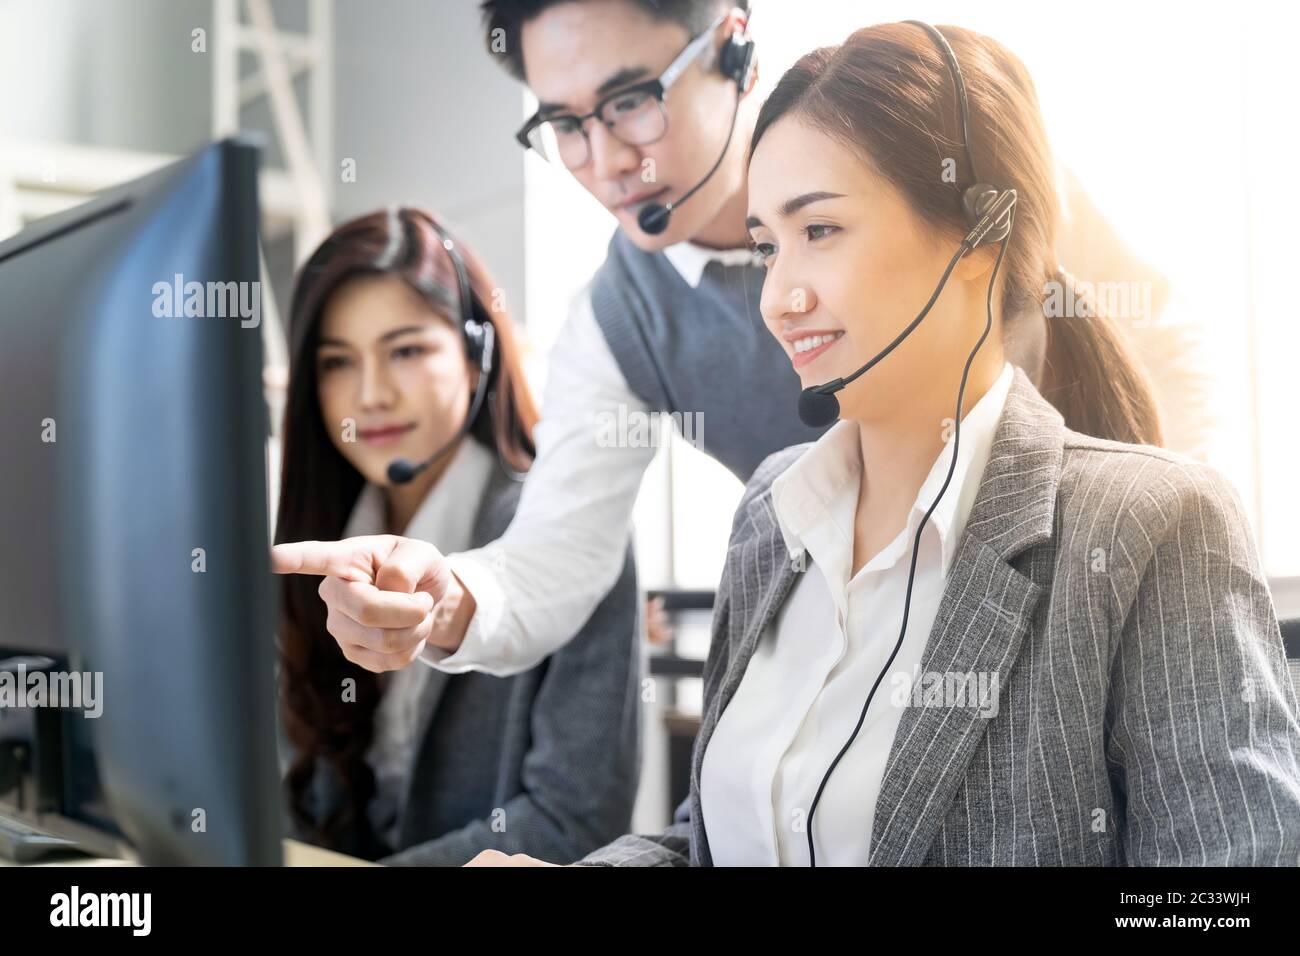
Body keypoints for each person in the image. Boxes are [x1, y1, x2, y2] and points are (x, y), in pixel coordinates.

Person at [466, 22, 1300, 867]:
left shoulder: (1158, 527)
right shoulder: (768, 513)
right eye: (765, 247)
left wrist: (1131, 546)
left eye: (820, 232)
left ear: (977, 237)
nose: (777, 298)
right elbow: (723, 836)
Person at [272, 0, 1176, 683]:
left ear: (735, 46)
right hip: (866, 655)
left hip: (1061, 617)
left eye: (629, 101)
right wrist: (446, 595)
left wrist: (1160, 567)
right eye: (563, 124)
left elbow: (1152, 358)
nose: (604, 160)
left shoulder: (928, 146)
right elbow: (556, 552)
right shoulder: (618, 316)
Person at [275, 207, 640, 864]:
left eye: (406, 351)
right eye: (337, 363)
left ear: (477, 359)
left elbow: (575, 823)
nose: (371, 394)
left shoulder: (563, 533)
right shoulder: (319, 539)